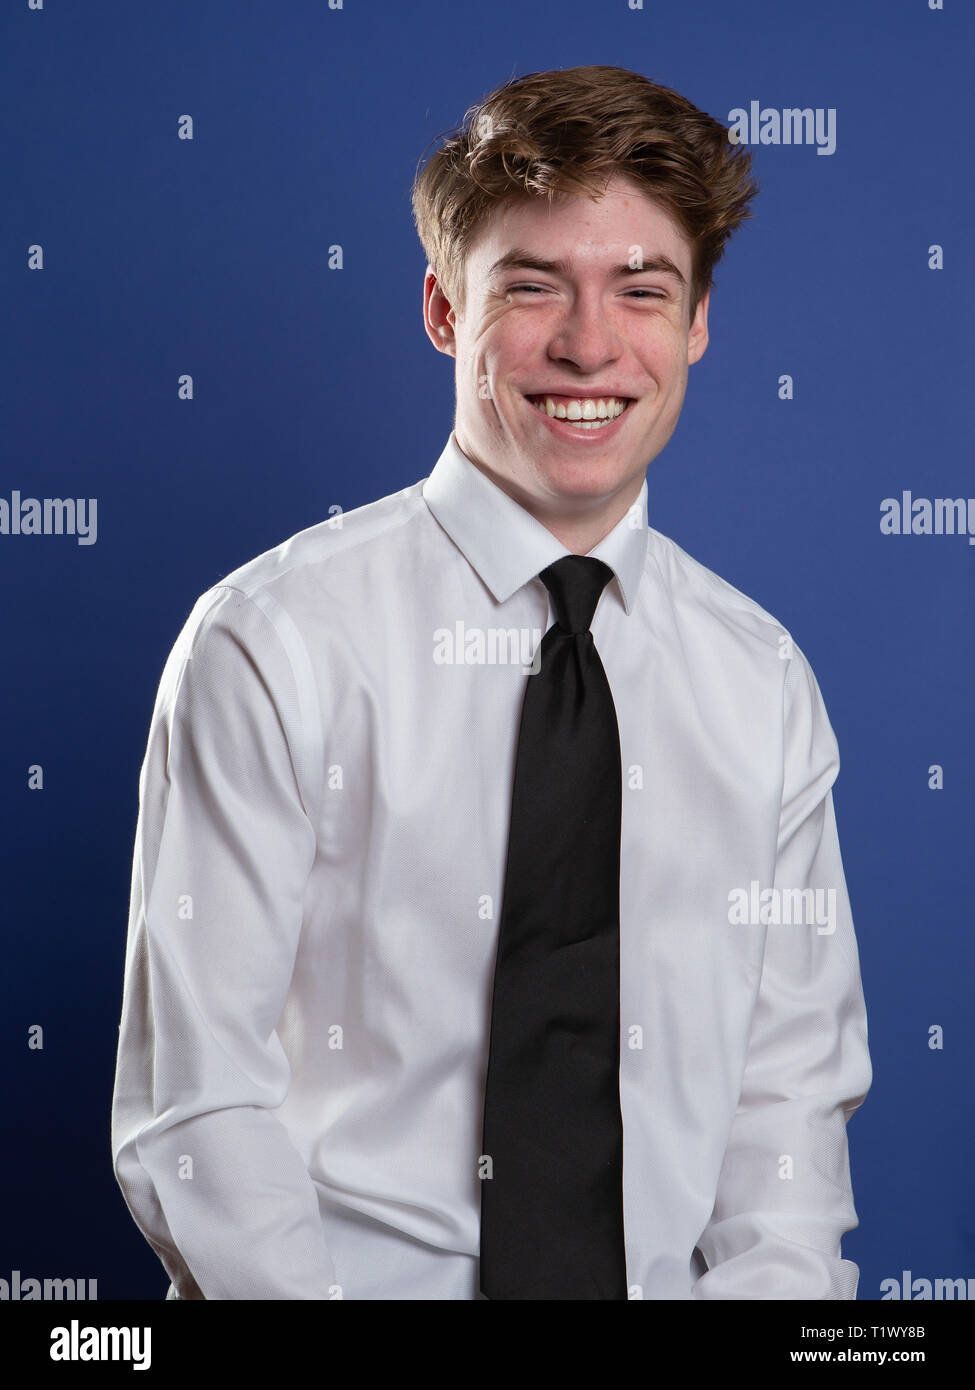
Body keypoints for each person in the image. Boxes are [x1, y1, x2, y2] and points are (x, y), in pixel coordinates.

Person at [111, 64, 871, 1301]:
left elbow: (784, 1111)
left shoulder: (762, 681)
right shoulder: (274, 639)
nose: (589, 343)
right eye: (532, 286)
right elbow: (196, 1111)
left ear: (698, 326)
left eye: (642, 288)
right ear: (443, 310)